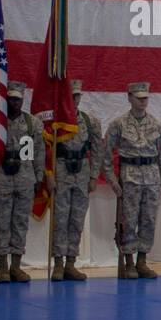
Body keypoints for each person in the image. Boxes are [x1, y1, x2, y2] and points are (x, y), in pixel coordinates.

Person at [102, 81, 161, 279]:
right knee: (128, 220)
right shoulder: (118, 124)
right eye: (138, 98)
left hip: (152, 177)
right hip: (129, 177)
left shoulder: (157, 124)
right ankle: (129, 262)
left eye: (145, 98)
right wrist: (113, 181)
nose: (142, 102)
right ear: (129, 98)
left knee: (148, 220)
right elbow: (105, 156)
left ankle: (142, 261)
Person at [50, 80, 103, 281]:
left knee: (77, 220)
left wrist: (93, 177)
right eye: (71, 96)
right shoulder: (55, 122)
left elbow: (97, 151)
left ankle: (71, 263)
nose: (74, 99)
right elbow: (47, 150)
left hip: (81, 172)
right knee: (60, 219)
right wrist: (49, 175)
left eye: (77, 96)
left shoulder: (90, 122)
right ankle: (58, 264)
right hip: (61, 171)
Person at [0, 80, 44, 283]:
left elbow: (37, 152)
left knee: (20, 222)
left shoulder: (33, 123)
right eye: (11, 99)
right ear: (6, 99)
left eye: (18, 100)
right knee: (2, 222)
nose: (14, 103)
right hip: (2, 177)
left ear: (23, 100)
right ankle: (2, 267)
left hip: (25, 177)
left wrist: (39, 177)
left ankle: (16, 266)